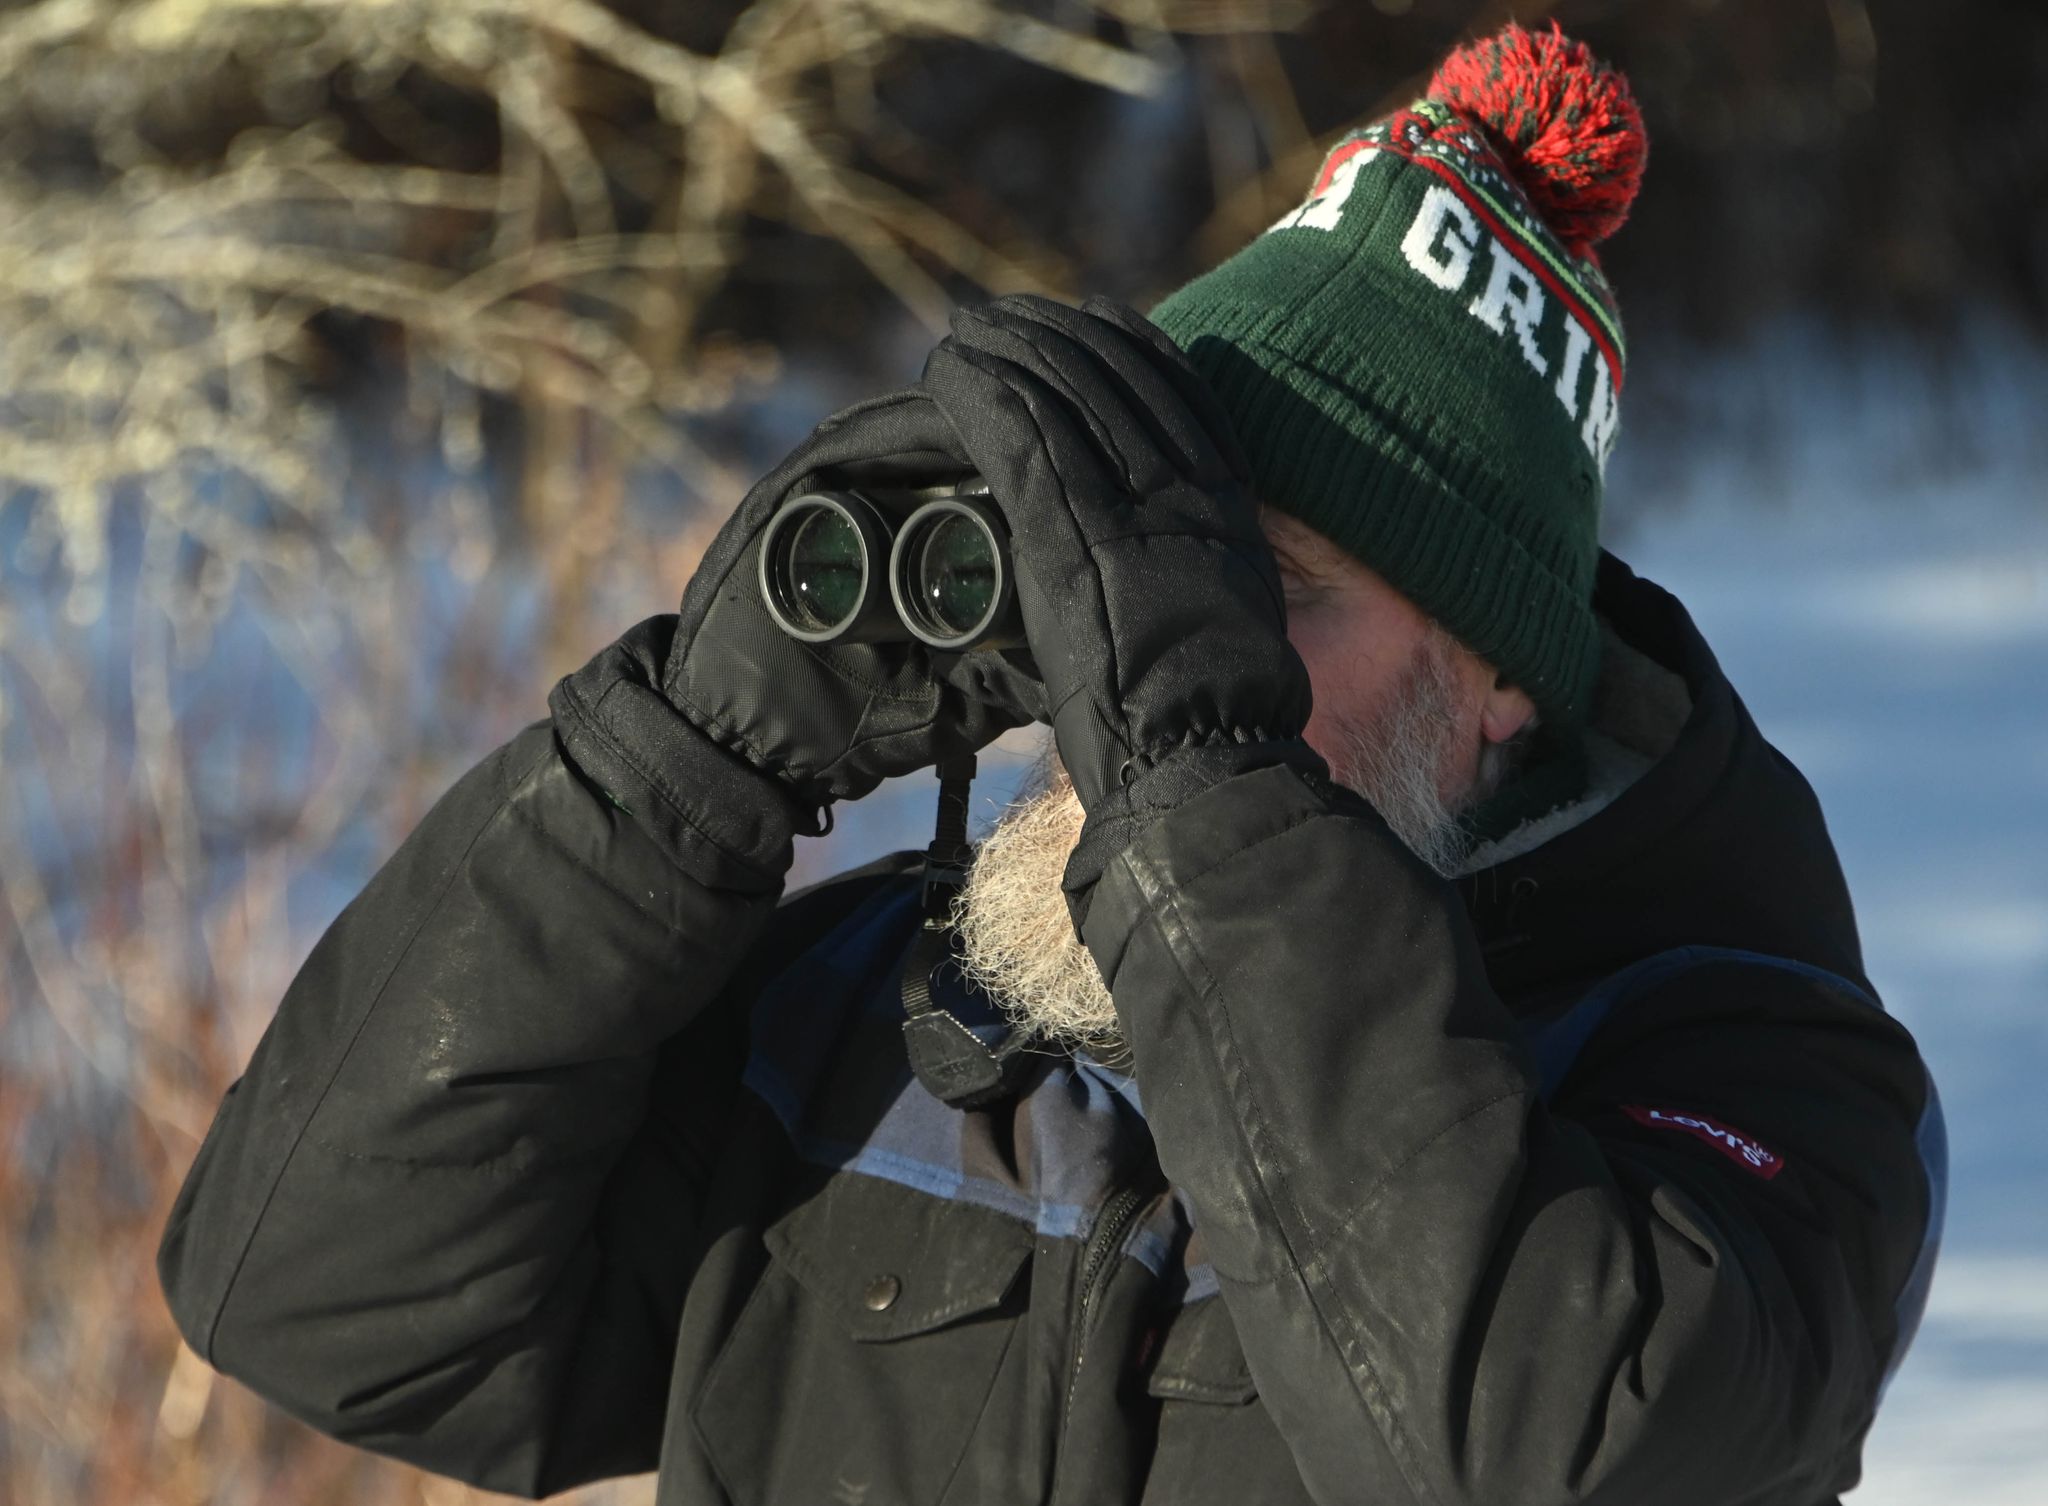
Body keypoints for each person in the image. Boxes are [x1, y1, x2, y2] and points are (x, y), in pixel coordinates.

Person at [159, 23, 1943, 1506]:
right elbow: (316, 1296)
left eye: (1269, 592)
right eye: (1138, 572)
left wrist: (1196, 771)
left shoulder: (1759, 1088)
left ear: (1497, 688)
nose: (1130, 664)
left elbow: (1546, 1452)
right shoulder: (887, 1014)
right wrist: (687, 762)